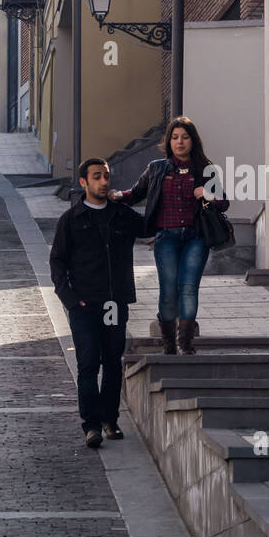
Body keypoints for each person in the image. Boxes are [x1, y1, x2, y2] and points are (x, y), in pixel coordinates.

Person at [49, 158, 143, 449]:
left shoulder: (122, 215)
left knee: (113, 364)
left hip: (114, 304)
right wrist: (70, 299)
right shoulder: (72, 219)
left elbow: (151, 225)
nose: (104, 181)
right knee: (88, 364)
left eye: (106, 176)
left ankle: (110, 420)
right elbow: (57, 261)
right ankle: (91, 425)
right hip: (84, 305)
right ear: (83, 183)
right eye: (97, 177)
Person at [119, 116, 229, 356]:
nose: (180, 142)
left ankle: (186, 343)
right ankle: (168, 344)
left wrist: (208, 195)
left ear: (193, 141)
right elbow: (136, 193)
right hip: (166, 238)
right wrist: (116, 196)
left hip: (196, 238)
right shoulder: (157, 168)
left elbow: (224, 202)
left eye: (185, 137)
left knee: (188, 289)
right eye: (175, 137)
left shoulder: (205, 169)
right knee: (168, 291)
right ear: (169, 141)